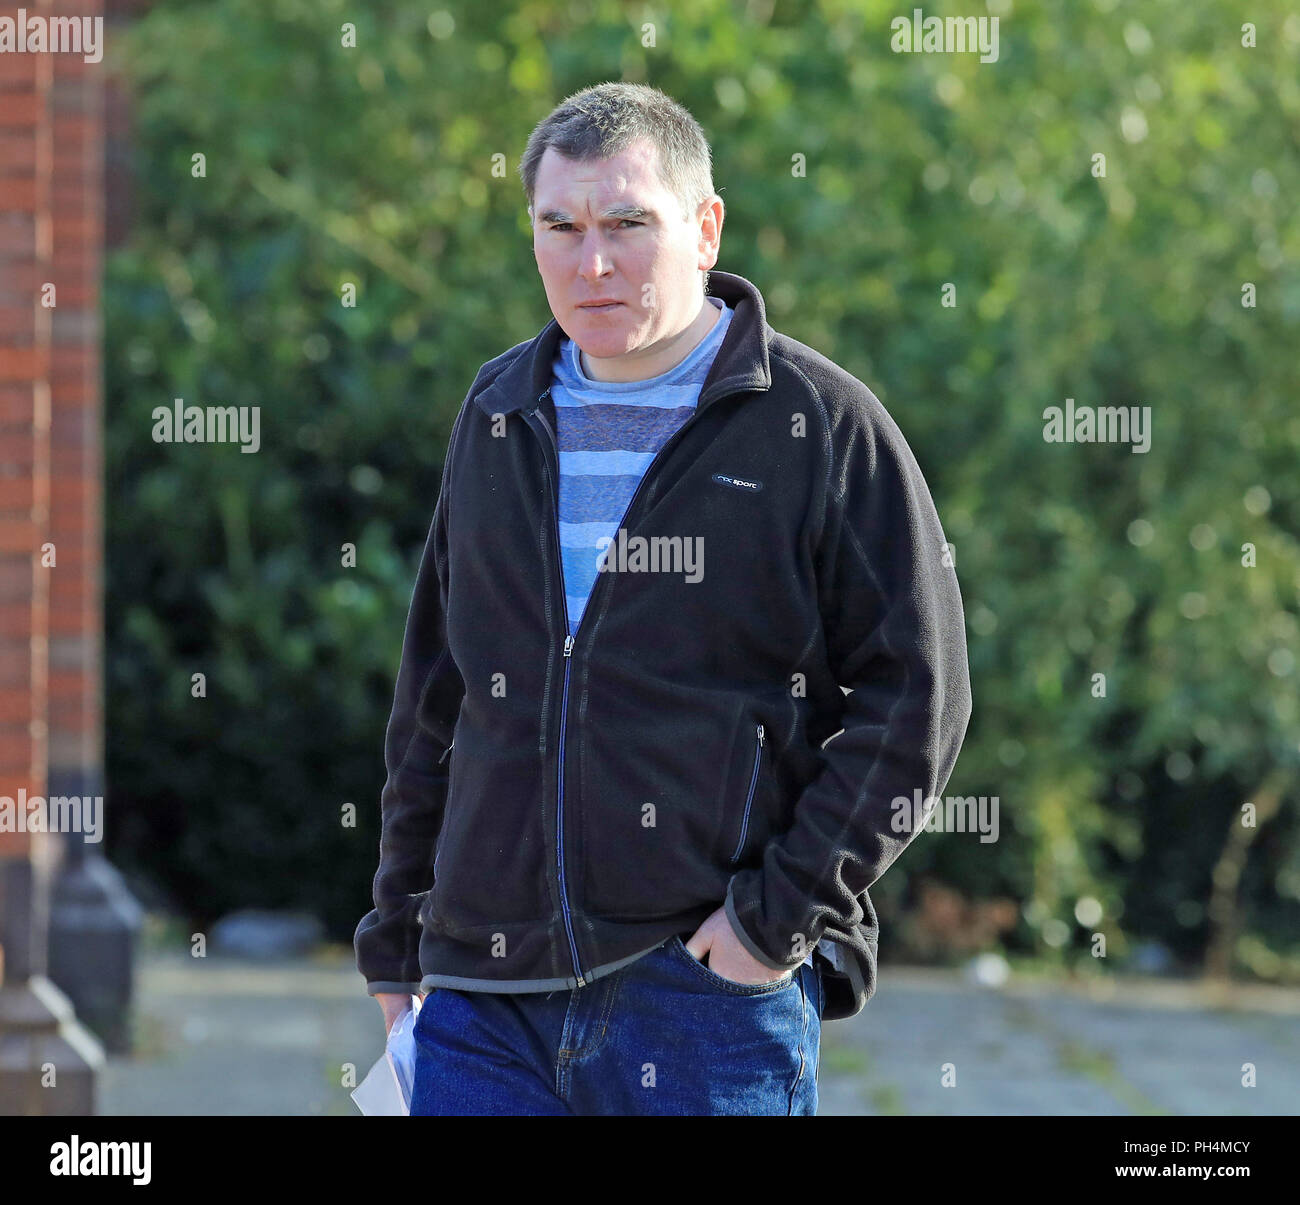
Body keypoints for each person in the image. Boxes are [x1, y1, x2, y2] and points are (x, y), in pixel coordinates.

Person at [354, 81, 972, 1115]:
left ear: (704, 225)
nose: (591, 262)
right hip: (483, 994)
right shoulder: (498, 411)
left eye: (627, 224)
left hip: (701, 998)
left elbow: (919, 697)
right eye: (561, 226)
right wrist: (396, 924)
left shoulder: (817, 426)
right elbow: (437, 688)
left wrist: (771, 921)